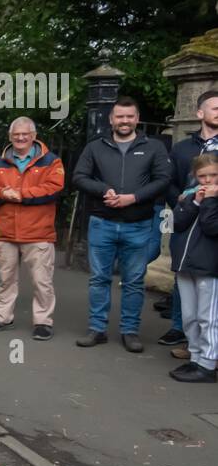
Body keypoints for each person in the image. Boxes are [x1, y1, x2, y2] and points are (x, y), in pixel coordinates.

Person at [71, 96, 171, 352]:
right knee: (99, 279)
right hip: (101, 222)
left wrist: (133, 198)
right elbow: (79, 177)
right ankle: (97, 328)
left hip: (138, 224)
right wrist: (104, 190)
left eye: (129, 116)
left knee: (134, 281)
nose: (124, 121)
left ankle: (130, 331)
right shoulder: (95, 146)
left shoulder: (154, 146)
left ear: (137, 119)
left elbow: (163, 180)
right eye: (120, 116)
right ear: (111, 119)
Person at [0, 117, 66, 340]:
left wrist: (21, 195)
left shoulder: (51, 161)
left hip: (38, 232)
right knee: (6, 279)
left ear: (34, 136)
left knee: (41, 280)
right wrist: (1, 194)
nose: (20, 137)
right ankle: (3, 317)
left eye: (25, 134)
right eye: (16, 134)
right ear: (10, 137)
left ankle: (43, 322)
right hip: (6, 231)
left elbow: (54, 188)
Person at [161, 90, 218, 347]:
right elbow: (169, 182)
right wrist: (182, 205)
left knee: (208, 295)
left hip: (213, 225)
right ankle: (180, 331)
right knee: (182, 275)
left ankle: (207, 354)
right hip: (185, 220)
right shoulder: (182, 148)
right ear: (200, 113)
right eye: (214, 108)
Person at [167, 153, 218, 382]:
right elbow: (176, 223)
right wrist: (195, 201)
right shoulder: (191, 197)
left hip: (209, 266)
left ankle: (208, 363)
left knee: (208, 317)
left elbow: (211, 227)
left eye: (213, 175)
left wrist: (209, 201)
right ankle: (195, 357)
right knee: (189, 315)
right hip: (186, 265)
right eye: (202, 176)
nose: (207, 181)